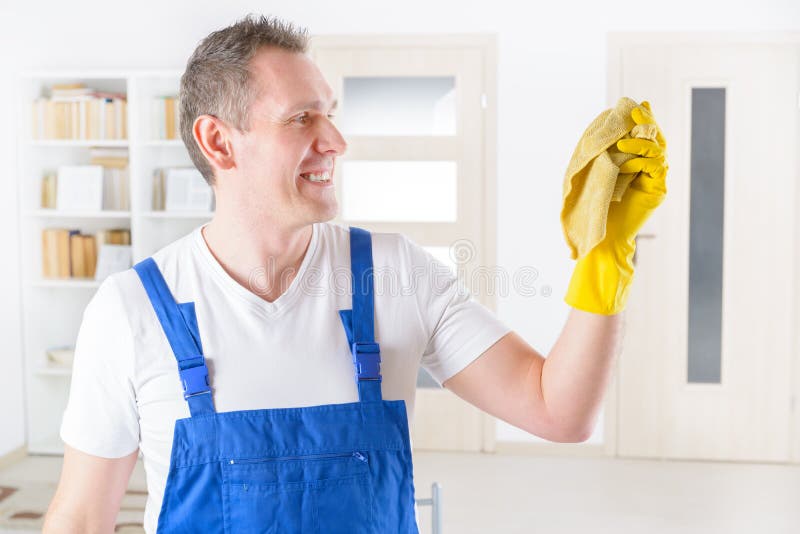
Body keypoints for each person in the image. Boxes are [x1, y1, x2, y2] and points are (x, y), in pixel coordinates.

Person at [42, 14, 667, 534]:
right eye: (301, 118)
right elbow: (79, 518)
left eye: (331, 114)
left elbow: (558, 412)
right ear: (219, 143)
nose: (335, 140)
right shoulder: (132, 310)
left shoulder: (396, 273)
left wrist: (603, 259)